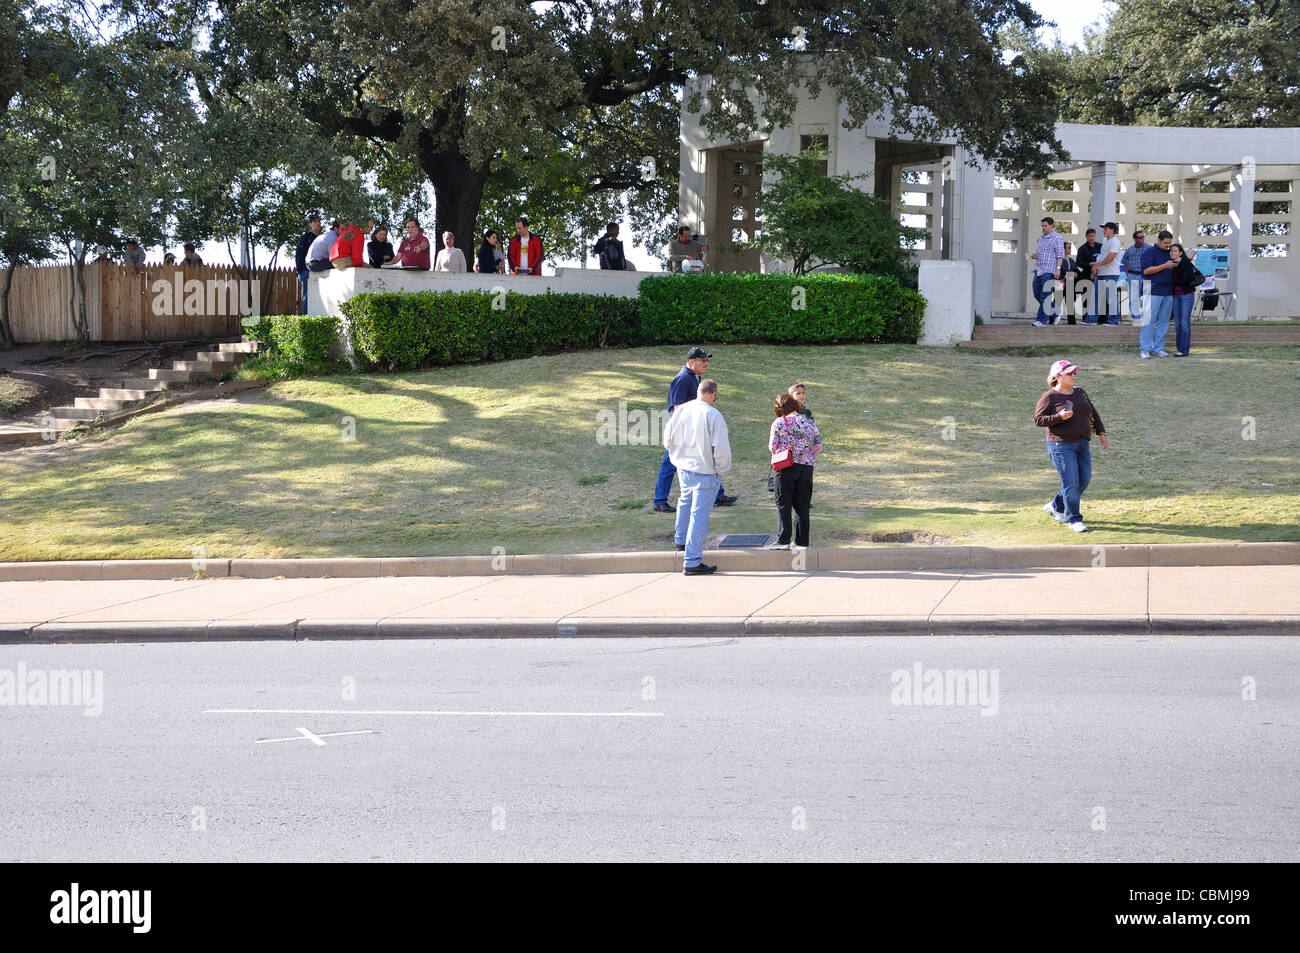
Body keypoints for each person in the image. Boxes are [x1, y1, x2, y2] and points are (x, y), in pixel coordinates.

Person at [653, 347, 737, 512]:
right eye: (703, 360)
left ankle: (718, 495)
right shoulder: (683, 379)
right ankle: (660, 501)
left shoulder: (695, 377)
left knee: (708, 457)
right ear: (692, 362)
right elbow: (677, 408)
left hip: (694, 430)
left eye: (707, 360)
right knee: (669, 464)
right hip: (683, 432)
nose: (706, 363)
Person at [664, 378, 732, 576]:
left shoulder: (682, 410)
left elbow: (668, 437)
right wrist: (721, 469)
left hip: (683, 466)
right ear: (712, 394)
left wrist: (676, 456)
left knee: (685, 502)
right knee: (699, 514)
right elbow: (721, 447)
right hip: (706, 470)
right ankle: (692, 560)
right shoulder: (713, 414)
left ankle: (681, 540)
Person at [1034, 359, 1108, 533]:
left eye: (1075, 373)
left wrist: (1101, 432)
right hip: (1061, 446)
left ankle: (1055, 505)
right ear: (1058, 376)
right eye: (1069, 373)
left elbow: (1092, 412)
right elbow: (1038, 420)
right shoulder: (1049, 397)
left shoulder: (1080, 392)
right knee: (1071, 483)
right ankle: (1074, 518)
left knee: (1084, 480)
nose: (1074, 376)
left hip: (1082, 443)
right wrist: (1059, 416)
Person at [768, 393, 822, 550]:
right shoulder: (809, 421)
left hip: (786, 466)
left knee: (783, 503)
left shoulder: (778, 423)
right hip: (806, 467)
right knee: (802, 506)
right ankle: (801, 542)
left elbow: (772, 446)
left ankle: (783, 540)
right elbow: (818, 445)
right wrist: (806, 453)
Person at [769, 383, 814, 493]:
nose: (801, 396)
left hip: (803, 455)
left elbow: (812, 430)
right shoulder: (784, 410)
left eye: (803, 393)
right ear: (790, 395)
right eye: (798, 393)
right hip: (786, 453)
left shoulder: (806, 412)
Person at [1139, 230, 1176, 359]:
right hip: (1151, 291)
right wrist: (1164, 266)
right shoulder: (1149, 252)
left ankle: (1158, 348)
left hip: (1168, 292)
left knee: (1163, 322)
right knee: (1148, 321)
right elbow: (1146, 270)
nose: (1168, 245)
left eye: (1169, 243)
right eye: (1165, 243)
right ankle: (1144, 349)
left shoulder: (1171, 253)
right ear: (1159, 240)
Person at [1169, 242, 1202, 357]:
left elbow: (1189, 278)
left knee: (1184, 323)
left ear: (1180, 253)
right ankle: (1179, 348)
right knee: (1177, 323)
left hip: (1186, 294)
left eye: (1175, 251)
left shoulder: (1185, 262)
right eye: (1171, 251)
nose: (1172, 253)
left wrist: (1175, 282)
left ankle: (1184, 350)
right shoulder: (1170, 264)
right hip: (1175, 296)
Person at [1029, 217, 1064, 327]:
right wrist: (1035, 256)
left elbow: (1060, 255)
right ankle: (1055, 312)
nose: (1043, 228)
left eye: (1045, 226)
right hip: (1038, 270)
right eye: (1042, 226)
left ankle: (1041, 320)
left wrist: (1057, 269)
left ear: (1051, 225)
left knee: (1045, 295)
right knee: (1037, 293)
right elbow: (1041, 253)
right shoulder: (1041, 239)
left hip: (1049, 271)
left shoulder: (1057, 238)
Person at [1087, 222, 1122, 326]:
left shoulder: (1115, 242)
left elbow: (1111, 257)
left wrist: (1098, 266)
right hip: (1102, 273)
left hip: (1111, 273)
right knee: (1096, 296)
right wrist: (1096, 266)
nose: (1104, 230)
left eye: (1106, 229)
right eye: (1104, 229)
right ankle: (1092, 319)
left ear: (1112, 230)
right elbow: (1103, 258)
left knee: (1111, 298)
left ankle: (1113, 320)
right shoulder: (1106, 242)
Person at [295, 214, 322, 313]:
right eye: (315, 222)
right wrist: (300, 270)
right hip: (305, 271)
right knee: (308, 295)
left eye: (319, 221)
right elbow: (299, 254)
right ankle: (305, 319)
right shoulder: (305, 237)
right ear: (310, 224)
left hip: (316, 271)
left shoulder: (320, 238)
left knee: (315, 296)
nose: (318, 223)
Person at [1120, 230, 1147, 326]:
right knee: (1134, 297)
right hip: (1132, 275)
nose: (1142, 239)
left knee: (1145, 297)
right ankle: (1137, 318)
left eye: (1143, 237)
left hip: (1144, 275)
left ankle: (1145, 317)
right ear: (1135, 239)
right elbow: (1124, 263)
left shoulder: (1148, 248)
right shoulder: (1130, 250)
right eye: (1140, 237)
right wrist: (1128, 274)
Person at [1074, 229, 1101, 323]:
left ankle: (1100, 319)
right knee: (1086, 297)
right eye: (1090, 236)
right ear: (1086, 236)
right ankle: (1086, 318)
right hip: (1086, 276)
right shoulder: (1082, 249)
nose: (1092, 238)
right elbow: (1079, 262)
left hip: (1099, 275)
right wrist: (1090, 264)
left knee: (1099, 297)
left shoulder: (1100, 246)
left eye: (1093, 236)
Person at [1060, 241, 1080, 324]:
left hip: (1070, 284)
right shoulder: (1059, 260)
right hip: (1060, 283)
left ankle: (1071, 321)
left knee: (1070, 302)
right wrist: (1071, 274)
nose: (1070, 249)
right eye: (1068, 247)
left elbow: (1078, 272)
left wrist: (1076, 274)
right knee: (1057, 301)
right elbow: (1060, 273)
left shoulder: (1071, 260)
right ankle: (1052, 319)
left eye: (1070, 247)